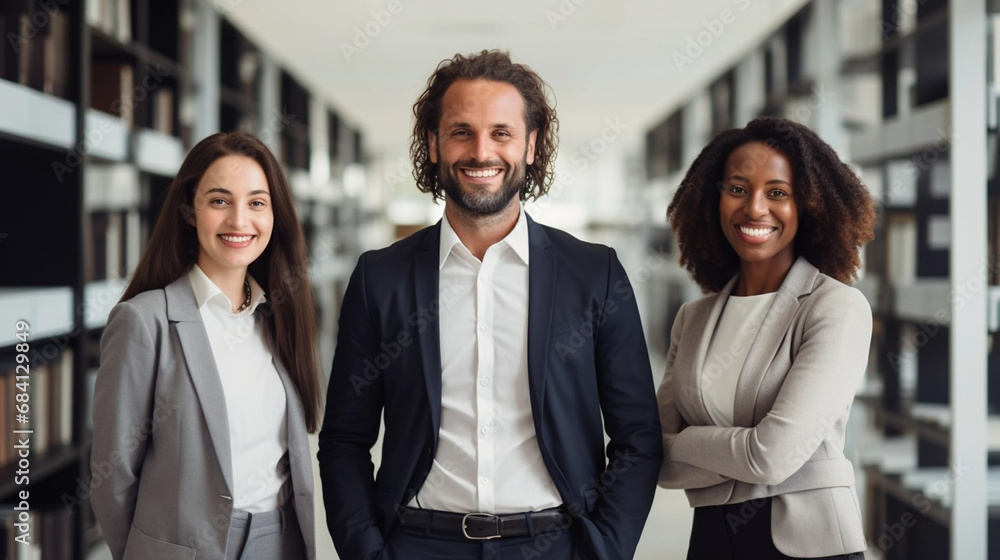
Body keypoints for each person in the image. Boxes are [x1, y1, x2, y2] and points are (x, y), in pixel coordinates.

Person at [318, 50, 661, 560]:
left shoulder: (594, 273)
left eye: (501, 133)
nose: (482, 152)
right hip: (418, 543)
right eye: (461, 131)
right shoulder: (379, 277)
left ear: (531, 145)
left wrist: (605, 549)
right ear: (433, 144)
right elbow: (344, 440)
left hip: (556, 545)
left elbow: (638, 436)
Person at [90, 131, 321, 560]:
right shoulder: (144, 321)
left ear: (275, 215)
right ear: (190, 212)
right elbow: (113, 475)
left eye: (256, 203)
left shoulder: (281, 317)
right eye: (219, 200)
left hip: (279, 542)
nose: (239, 220)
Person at [658, 117, 876, 560]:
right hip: (711, 541)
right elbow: (656, 459)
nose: (755, 208)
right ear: (713, 198)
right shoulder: (692, 318)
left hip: (808, 544)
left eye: (778, 193)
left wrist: (687, 445)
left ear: (810, 205)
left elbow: (772, 456)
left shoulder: (835, 308)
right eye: (738, 188)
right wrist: (739, 449)